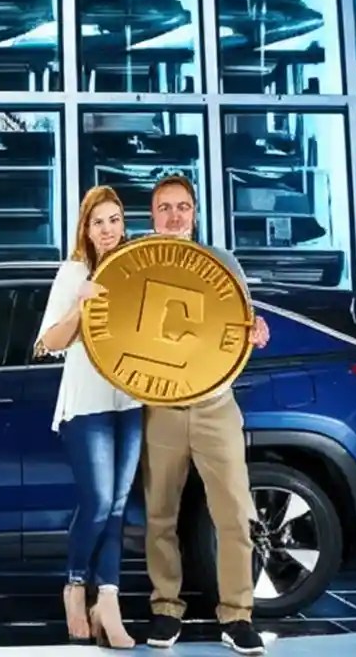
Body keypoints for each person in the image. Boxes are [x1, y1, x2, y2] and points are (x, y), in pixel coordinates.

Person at [141, 173, 270, 655]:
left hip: (216, 404)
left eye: (183, 207)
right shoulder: (137, 266)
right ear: (151, 217)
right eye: (165, 208)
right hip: (161, 407)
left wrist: (255, 331)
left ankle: (237, 615)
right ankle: (165, 609)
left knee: (236, 514)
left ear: (194, 214)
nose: (175, 216)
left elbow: (237, 328)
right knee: (160, 515)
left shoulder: (222, 264)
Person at [35, 185, 141, 650]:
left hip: (132, 401)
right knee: (99, 502)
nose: (108, 229)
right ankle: (75, 588)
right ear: (86, 227)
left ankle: (109, 603)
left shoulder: (136, 269)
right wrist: (82, 305)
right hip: (86, 403)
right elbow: (49, 342)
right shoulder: (73, 272)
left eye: (115, 220)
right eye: (99, 221)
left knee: (118, 508)